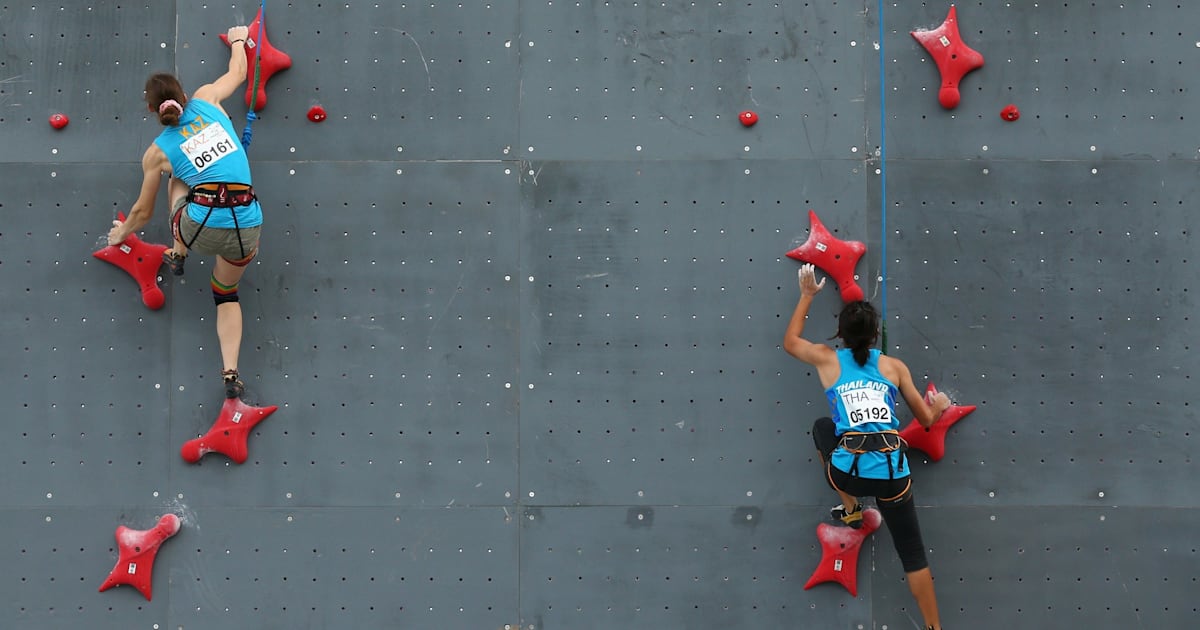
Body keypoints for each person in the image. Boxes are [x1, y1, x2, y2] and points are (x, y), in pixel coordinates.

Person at [783, 263, 951, 630]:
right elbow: (925, 419)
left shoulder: (827, 359)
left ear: (840, 335)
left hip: (850, 474)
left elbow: (791, 342)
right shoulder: (894, 367)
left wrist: (807, 295)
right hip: (892, 479)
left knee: (823, 429)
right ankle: (934, 628)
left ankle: (852, 510)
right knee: (913, 556)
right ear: (876, 335)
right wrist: (939, 406)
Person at [107, 25, 260, 400]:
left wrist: (120, 234)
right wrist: (238, 40)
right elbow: (239, 72)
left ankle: (178, 253)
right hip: (246, 224)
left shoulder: (157, 151)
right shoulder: (208, 98)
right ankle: (231, 373)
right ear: (185, 96)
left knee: (178, 179)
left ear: (151, 110)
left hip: (198, 225)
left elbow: (142, 212)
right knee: (226, 292)